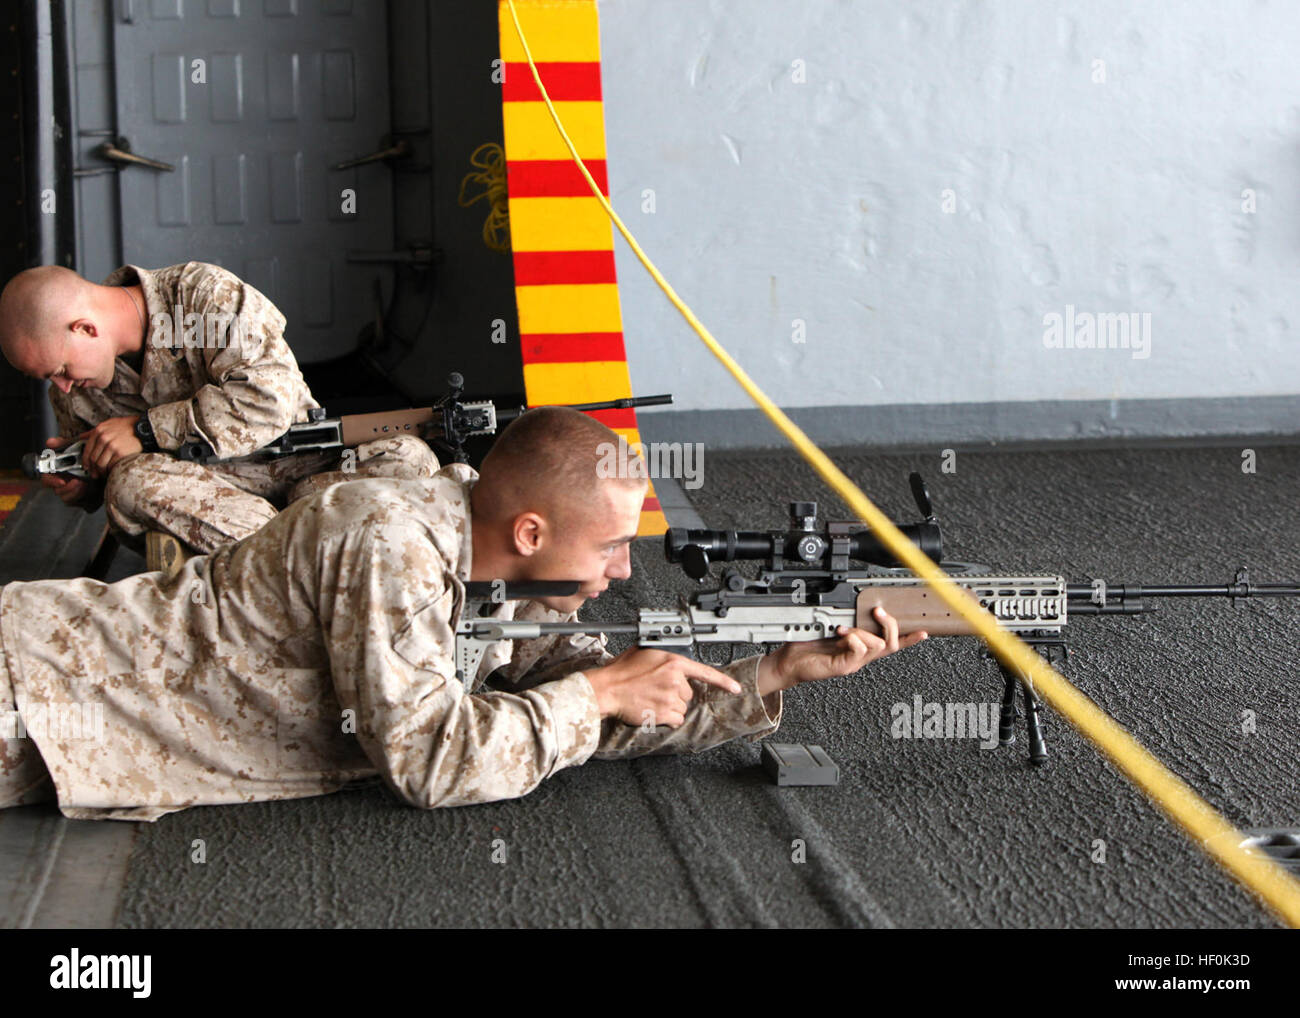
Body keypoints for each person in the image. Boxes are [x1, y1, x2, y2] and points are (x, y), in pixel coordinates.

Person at [0, 407, 926, 820]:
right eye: (607, 546)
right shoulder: (390, 543)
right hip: (38, 693)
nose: (620, 569)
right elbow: (433, 760)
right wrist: (596, 692)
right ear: (528, 529)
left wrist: (777, 670)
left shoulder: (506, 579)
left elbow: (586, 712)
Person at [0, 262, 439, 556]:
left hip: (307, 474)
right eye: (49, 379)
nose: (61, 385)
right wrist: (83, 485)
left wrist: (146, 431)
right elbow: (118, 486)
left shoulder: (202, 297)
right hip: (212, 516)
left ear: (85, 328)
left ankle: (299, 558)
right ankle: (308, 563)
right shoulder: (75, 388)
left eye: (59, 369)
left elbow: (270, 400)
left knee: (409, 459)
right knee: (129, 484)